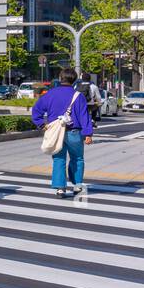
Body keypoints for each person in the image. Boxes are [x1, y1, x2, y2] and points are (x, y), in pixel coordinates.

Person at [31, 67, 95, 198]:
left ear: (60, 79)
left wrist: (41, 124)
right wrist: (88, 134)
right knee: (77, 158)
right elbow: (85, 116)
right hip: (74, 132)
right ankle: (77, 185)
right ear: (74, 80)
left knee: (58, 159)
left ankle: (60, 188)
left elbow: (36, 110)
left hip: (55, 132)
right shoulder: (79, 96)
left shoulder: (50, 94)